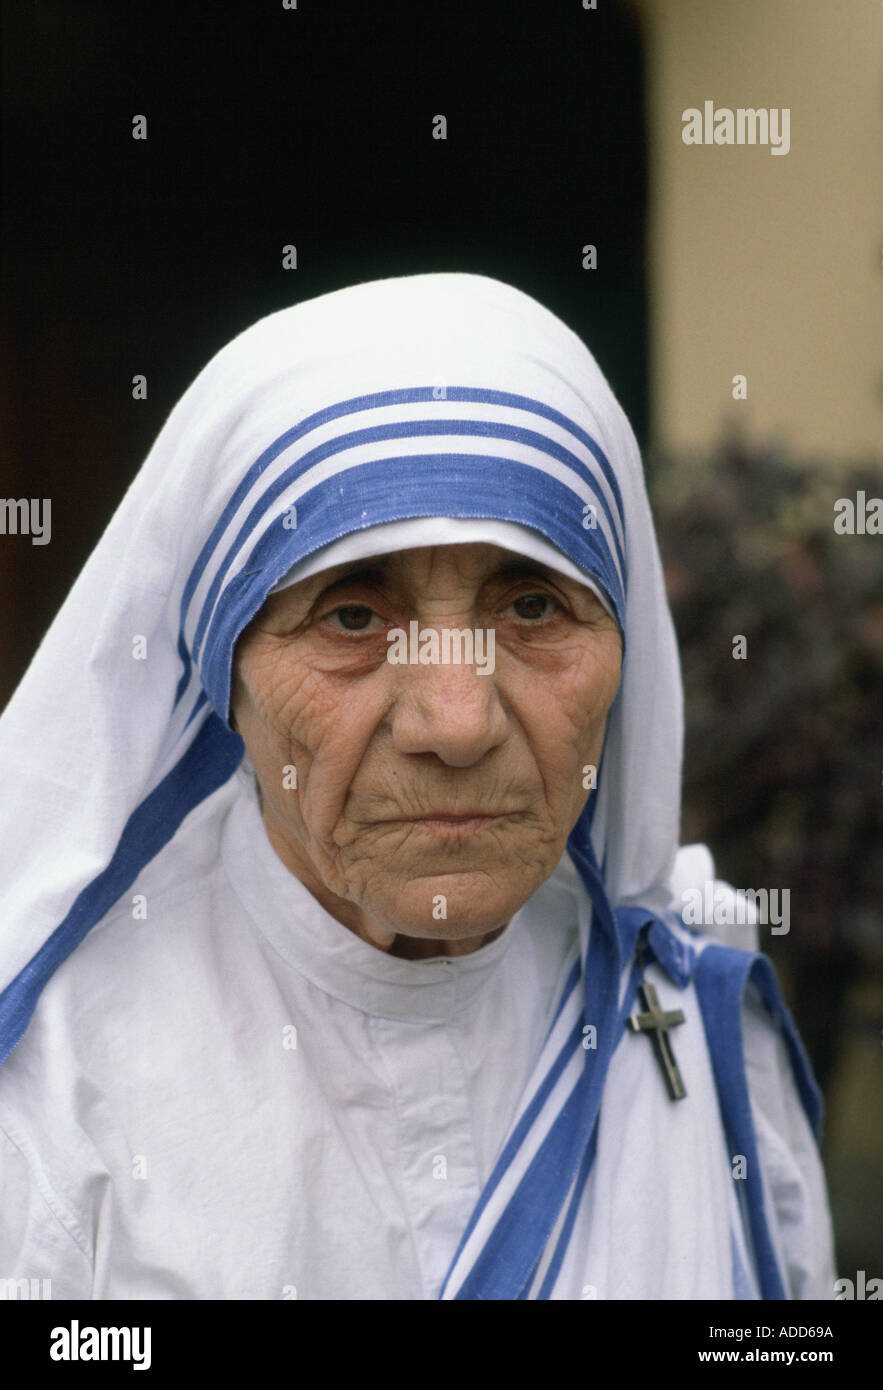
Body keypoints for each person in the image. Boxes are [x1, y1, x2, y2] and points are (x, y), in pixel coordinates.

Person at [0, 273, 835, 1299]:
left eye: (532, 603)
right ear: (226, 676)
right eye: (352, 617)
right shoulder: (54, 1092)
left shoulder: (694, 1008)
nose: (458, 721)